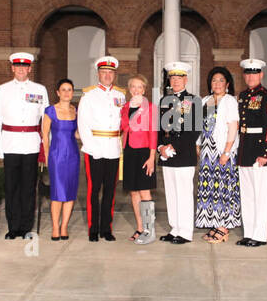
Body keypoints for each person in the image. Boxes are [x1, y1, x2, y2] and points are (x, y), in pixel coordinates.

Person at [0, 52, 49, 239]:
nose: (21, 69)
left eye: (25, 67)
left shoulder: (40, 89)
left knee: (28, 187)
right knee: (11, 187)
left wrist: (46, 146)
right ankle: (13, 226)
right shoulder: (3, 89)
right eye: (18, 66)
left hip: (32, 143)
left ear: (30, 69)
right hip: (10, 142)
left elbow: (46, 120)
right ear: (12, 68)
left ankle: (26, 226)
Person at [77, 55, 125, 241]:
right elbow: (83, 124)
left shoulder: (120, 96)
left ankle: (107, 228)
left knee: (110, 190)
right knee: (94, 189)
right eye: (104, 72)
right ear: (98, 73)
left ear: (114, 74)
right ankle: (93, 228)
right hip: (94, 148)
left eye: (110, 72)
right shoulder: (89, 95)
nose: (107, 75)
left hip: (113, 147)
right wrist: (92, 147)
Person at [235, 58, 267, 247]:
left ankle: (260, 235)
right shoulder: (242, 96)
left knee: (260, 195)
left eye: (254, 73)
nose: (251, 76)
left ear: (261, 75)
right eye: (248, 73)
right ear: (244, 75)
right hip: (244, 150)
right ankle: (249, 232)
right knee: (247, 195)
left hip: (259, 152)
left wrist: (266, 153)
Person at [195, 66, 241, 243]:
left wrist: (227, 151)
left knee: (222, 186)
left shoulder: (229, 101)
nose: (217, 83)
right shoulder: (205, 100)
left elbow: (233, 127)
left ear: (227, 83)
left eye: (221, 80)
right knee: (209, 187)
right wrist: (198, 145)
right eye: (214, 80)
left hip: (222, 149)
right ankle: (214, 223)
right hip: (207, 150)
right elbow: (199, 126)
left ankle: (223, 227)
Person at [156, 62, 198, 244]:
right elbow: (159, 129)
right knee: (171, 193)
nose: (176, 81)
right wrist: (160, 147)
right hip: (167, 154)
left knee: (184, 194)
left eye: (179, 78)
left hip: (183, 154)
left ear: (186, 79)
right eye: (172, 78)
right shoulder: (164, 101)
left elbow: (194, 131)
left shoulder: (193, 101)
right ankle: (175, 228)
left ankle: (186, 231)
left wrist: (174, 147)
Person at [120, 73, 158, 243]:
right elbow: (123, 127)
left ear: (144, 89)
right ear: (129, 89)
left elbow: (153, 133)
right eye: (133, 86)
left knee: (144, 191)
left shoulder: (151, 107)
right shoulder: (125, 107)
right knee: (133, 192)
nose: (136, 89)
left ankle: (150, 230)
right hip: (129, 151)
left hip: (144, 151)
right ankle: (140, 228)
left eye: (139, 86)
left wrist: (152, 158)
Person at [42, 78, 81, 241]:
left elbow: (78, 134)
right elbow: (45, 135)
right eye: (63, 90)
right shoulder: (50, 111)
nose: (67, 93)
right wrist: (46, 156)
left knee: (70, 191)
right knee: (58, 192)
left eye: (69, 89)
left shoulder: (76, 111)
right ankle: (55, 227)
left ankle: (64, 226)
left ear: (73, 92)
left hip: (73, 154)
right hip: (56, 155)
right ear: (58, 92)